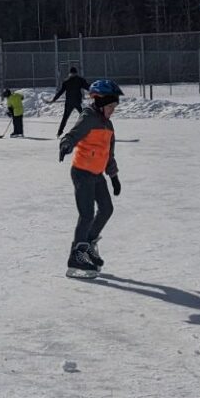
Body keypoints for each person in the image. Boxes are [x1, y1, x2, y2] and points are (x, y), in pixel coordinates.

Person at [58, 78, 123, 277]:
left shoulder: (109, 126)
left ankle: (88, 244)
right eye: (110, 105)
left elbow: (108, 154)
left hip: (96, 174)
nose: (112, 110)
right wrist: (66, 144)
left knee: (106, 209)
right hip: (82, 172)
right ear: (100, 102)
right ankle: (76, 256)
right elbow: (73, 134)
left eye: (114, 106)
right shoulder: (88, 116)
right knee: (86, 214)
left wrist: (113, 176)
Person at [51, 66, 88, 137]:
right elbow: (87, 87)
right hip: (76, 101)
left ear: (70, 73)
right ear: (76, 73)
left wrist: (54, 99)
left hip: (70, 102)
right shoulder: (79, 80)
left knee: (65, 117)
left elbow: (60, 91)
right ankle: (88, 131)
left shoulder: (67, 81)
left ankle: (59, 132)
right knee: (83, 116)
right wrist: (96, 91)